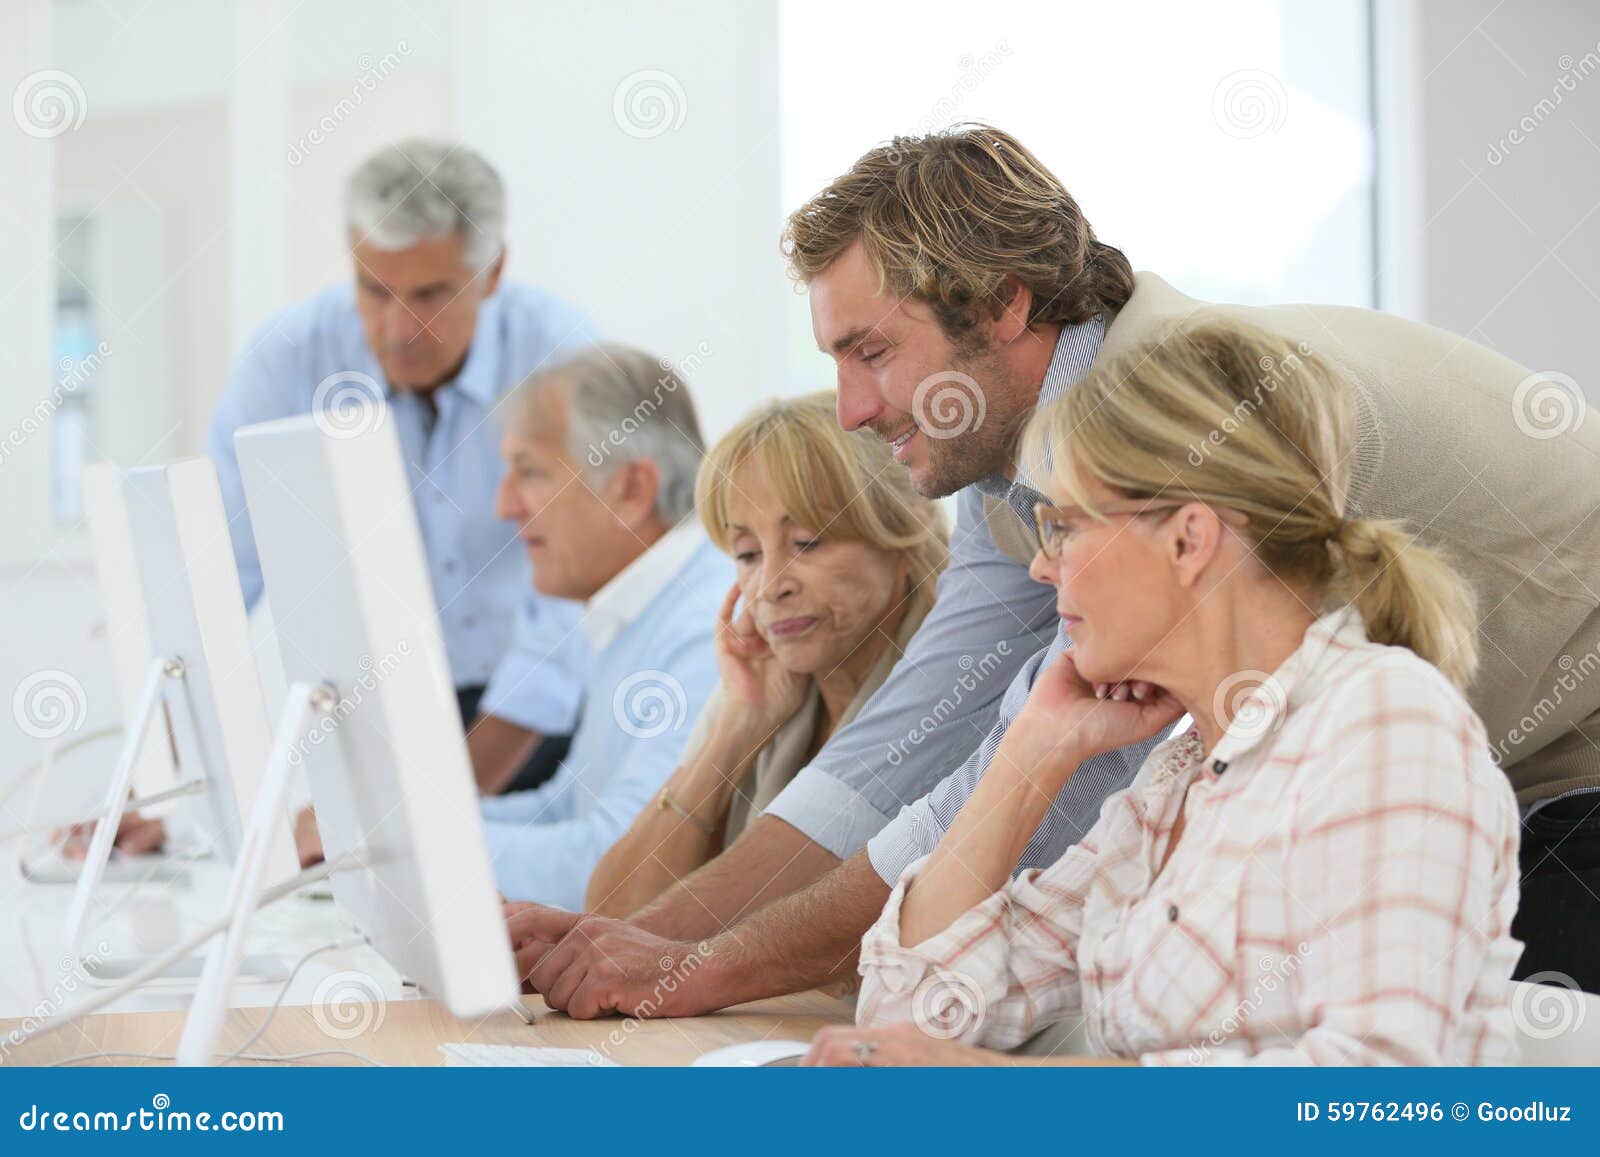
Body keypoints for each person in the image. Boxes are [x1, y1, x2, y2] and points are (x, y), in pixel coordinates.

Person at [508, 124, 1600, 1017]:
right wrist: (648, 941)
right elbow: (911, 749)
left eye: (871, 352)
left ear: (1004, 304)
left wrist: (694, 969)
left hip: (1570, 785)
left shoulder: (1183, 427)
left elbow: (1042, 786)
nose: (851, 409)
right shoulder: (1035, 460)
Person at [804, 318, 1523, 1066]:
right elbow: (912, 1010)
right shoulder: (1176, 782)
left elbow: (1375, 1099)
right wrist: (1032, 750)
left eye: (1065, 527)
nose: (1044, 569)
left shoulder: (1384, 726)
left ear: (1188, 540)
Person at [72, 138, 600, 866]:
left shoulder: (561, 359)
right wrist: (152, 784)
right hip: (381, 703)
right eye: (374, 290)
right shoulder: (291, 358)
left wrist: (437, 800)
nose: (396, 330)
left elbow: (570, 609)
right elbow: (217, 577)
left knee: (498, 905)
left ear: (494, 270)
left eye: (430, 295)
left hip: (535, 709)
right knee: (354, 906)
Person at [581, 392, 948, 919]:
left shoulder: (955, 693)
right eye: (748, 554)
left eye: (808, 542)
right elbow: (613, 917)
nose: (769, 586)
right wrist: (736, 730)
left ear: (902, 530)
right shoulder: (764, 688)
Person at [478, 344, 729, 908]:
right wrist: (397, 827)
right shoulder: (638, 607)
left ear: (632, 490)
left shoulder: (704, 624)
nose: (504, 505)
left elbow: (610, 865)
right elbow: (567, 809)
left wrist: (392, 851)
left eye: (530, 471)